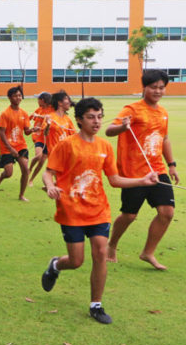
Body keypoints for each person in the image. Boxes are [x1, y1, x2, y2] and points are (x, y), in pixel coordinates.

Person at [41, 98, 158, 324]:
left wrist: (143, 180)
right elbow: (49, 172)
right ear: (79, 120)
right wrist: (50, 186)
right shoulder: (67, 145)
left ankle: (96, 305)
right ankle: (55, 265)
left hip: (98, 211)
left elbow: (114, 180)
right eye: (91, 117)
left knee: (100, 254)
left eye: (99, 116)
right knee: (76, 261)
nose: (96, 122)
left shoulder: (104, 146)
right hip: (71, 211)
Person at [106, 69, 180, 270]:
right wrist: (123, 127)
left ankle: (148, 253)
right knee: (129, 214)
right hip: (134, 173)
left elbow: (164, 139)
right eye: (153, 87)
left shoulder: (163, 113)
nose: (157, 91)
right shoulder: (132, 109)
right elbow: (109, 130)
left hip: (157, 169)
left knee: (167, 212)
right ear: (144, 87)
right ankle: (111, 244)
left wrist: (171, 165)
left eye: (161, 87)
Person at [0, 86, 32, 201]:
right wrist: (10, 148)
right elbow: (2, 133)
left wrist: (33, 130)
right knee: (9, 173)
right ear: (9, 98)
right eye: (15, 95)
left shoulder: (24, 113)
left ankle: (21, 195)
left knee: (25, 169)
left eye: (19, 95)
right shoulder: (5, 114)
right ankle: (1, 177)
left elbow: (27, 131)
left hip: (21, 145)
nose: (18, 97)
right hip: (7, 146)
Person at [28, 92, 54, 186]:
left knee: (42, 162)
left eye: (38, 99)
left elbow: (51, 118)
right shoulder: (39, 109)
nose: (37, 101)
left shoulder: (52, 109)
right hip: (39, 137)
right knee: (38, 156)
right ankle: (29, 169)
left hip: (48, 139)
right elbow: (29, 118)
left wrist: (40, 117)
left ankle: (31, 179)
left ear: (42, 100)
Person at [44, 91, 76, 158]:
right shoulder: (50, 117)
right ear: (60, 103)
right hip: (54, 155)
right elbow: (45, 133)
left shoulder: (67, 119)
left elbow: (74, 136)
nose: (69, 102)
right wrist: (48, 125)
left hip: (66, 154)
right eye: (67, 99)